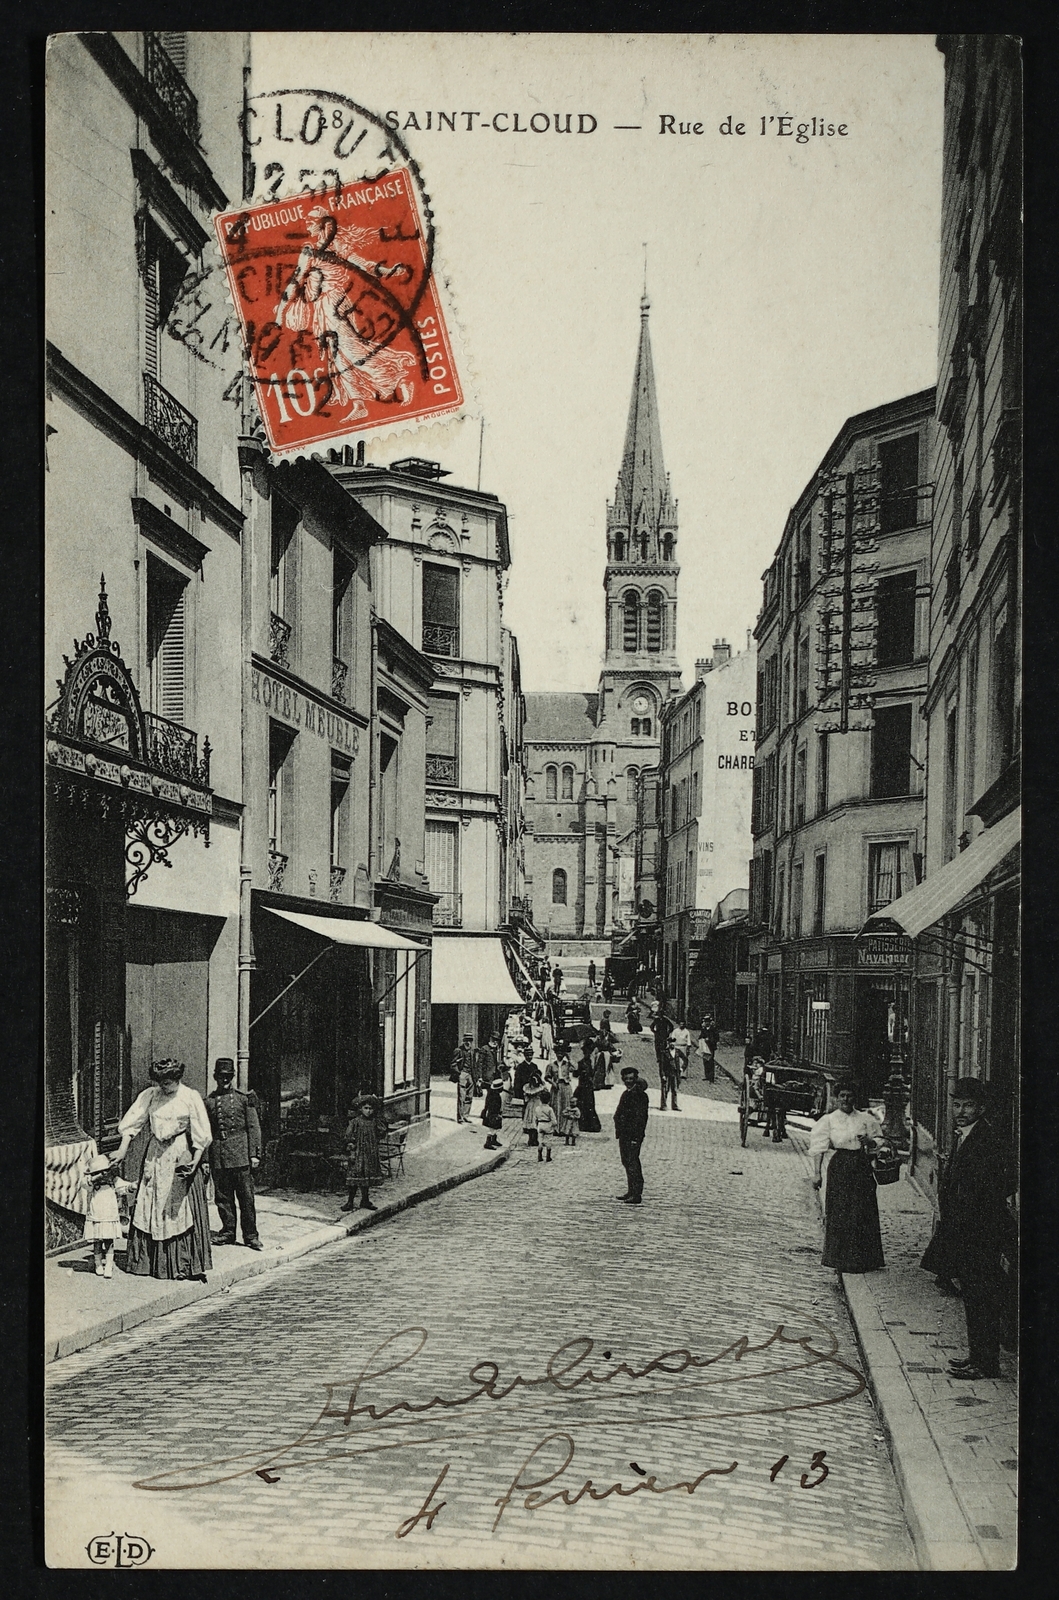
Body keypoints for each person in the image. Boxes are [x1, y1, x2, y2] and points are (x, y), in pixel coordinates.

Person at [921, 1078, 1016, 1380]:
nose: (961, 1111)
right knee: (974, 1298)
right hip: (967, 1232)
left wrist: (974, 1220)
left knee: (982, 1298)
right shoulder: (966, 1135)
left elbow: (999, 1185)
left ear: (982, 1108)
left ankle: (986, 1363)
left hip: (980, 1233)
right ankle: (977, 1356)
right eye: (957, 1104)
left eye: (968, 1105)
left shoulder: (987, 1140)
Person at [110, 1060, 213, 1281]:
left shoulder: (189, 1097)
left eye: (168, 1083)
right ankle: (147, 1263)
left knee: (175, 1206)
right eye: (162, 1084)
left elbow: (201, 1132)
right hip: (155, 1153)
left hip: (178, 1152)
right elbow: (132, 1124)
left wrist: (195, 1161)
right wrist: (122, 1150)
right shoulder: (151, 1095)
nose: (165, 1088)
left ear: (177, 1079)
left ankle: (179, 1264)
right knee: (151, 1201)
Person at [808, 1083, 885, 1273]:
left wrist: (870, 1142)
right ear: (836, 1097)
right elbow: (819, 1147)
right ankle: (840, 1259)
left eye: (849, 1095)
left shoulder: (866, 1119)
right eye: (842, 1095)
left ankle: (865, 1259)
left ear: (855, 1098)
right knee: (840, 1211)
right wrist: (817, 1173)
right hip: (840, 1167)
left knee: (862, 1210)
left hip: (861, 1166)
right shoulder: (829, 1120)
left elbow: (880, 1142)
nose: (845, 1099)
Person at [204, 1059, 263, 1251]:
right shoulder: (210, 1101)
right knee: (223, 1198)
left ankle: (251, 1235)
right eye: (221, 1076)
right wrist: (205, 1159)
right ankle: (228, 1231)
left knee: (246, 1198)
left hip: (241, 1155)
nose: (225, 1080)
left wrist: (254, 1154)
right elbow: (205, 1132)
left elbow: (253, 1127)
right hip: (219, 1155)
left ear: (233, 1077)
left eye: (228, 1076)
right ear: (215, 1077)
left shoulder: (243, 1099)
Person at [81, 1154, 133, 1279]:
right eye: (100, 1172)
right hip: (96, 1213)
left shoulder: (113, 1181)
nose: (104, 1174)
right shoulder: (92, 1183)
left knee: (109, 1241)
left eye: (105, 1171)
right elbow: (84, 1184)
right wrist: (95, 1178)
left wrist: (132, 1186)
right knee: (97, 1241)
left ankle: (108, 1265)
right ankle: (98, 1264)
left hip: (109, 1213)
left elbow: (123, 1187)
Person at [341, 1095, 386, 1211]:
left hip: (370, 1153)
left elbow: (382, 1132)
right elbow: (349, 1137)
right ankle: (350, 1201)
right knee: (354, 1177)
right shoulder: (355, 1122)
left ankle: (365, 1200)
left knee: (366, 1178)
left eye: (371, 1109)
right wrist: (351, 1148)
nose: (368, 1111)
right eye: (366, 1108)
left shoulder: (374, 1122)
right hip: (358, 1153)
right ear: (360, 1109)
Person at [614, 1065, 649, 1203]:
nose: (628, 1081)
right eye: (626, 1078)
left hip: (633, 1136)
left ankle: (637, 1194)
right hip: (624, 1134)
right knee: (626, 1162)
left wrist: (636, 1138)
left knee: (633, 1162)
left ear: (635, 1079)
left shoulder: (640, 1095)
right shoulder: (626, 1093)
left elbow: (641, 1119)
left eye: (631, 1078)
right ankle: (631, 1191)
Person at [573, 1059, 602, 1133]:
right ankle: (584, 1125)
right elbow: (575, 1074)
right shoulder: (581, 1062)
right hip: (582, 1086)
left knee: (589, 1105)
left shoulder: (593, 1062)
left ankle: (591, 1125)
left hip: (588, 1087)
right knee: (582, 1105)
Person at [522, 1071, 546, 1145]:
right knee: (533, 1121)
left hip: (533, 1105)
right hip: (535, 1105)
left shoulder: (540, 1088)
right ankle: (531, 1139)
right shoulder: (528, 1088)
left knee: (534, 1121)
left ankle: (534, 1139)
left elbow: (526, 1098)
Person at [533, 1089, 557, 1162]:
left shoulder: (537, 1108)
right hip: (547, 1124)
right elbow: (553, 1119)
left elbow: (535, 1118)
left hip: (540, 1124)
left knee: (540, 1140)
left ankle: (539, 1155)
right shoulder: (549, 1109)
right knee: (548, 1140)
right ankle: (548, 1156)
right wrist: (554, 1125)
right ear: (549, 1100)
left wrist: (536, 1126)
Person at [482, 1076, 505, 1150]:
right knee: (492, 1128)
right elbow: (492, 1105)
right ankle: (488, 1143)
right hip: (493, 1113)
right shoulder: (494, 1095)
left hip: (494, 1112)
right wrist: (497, 1113)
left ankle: (493, 1140)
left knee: (496, 1128)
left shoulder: (492, 1093)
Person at [659, 1039, 681, 1112]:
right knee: (665, 1089)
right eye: (671, 1043)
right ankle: (663, 1105)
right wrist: (663, 1075)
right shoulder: (664, 1052)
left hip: (675, 1073)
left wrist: (682, 1068)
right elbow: (661, 1065)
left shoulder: (677, 1052)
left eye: (674, 1043)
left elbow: (685, 1060)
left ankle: (674, 1105)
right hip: (667, 1073)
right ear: (668, 1043)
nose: (672, 1044)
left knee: (674, 1090)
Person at [700, 1015, 721, 1082]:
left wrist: (710, 1040)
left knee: (711, 1061)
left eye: (707, 1022)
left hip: (711, 1047)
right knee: (705, 1061)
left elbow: (716, 1038)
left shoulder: (713, 1029)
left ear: (710, 1022)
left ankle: (711, 1077)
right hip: (705, 1047)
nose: (706, 1023)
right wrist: (702, 1039)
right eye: (705, 1022)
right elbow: (700, 1036)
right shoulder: (703, 1029)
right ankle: (707, 1076)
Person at [456, 1057, 474, 1124]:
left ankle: (465, 1115)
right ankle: (460, 1118)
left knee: (469, 1096)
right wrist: (459, 1073)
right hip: (463, 1074)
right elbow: (453, 1063)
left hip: (471, 1075)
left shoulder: (473, 1050)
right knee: (462, 1097)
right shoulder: (459, 1050)